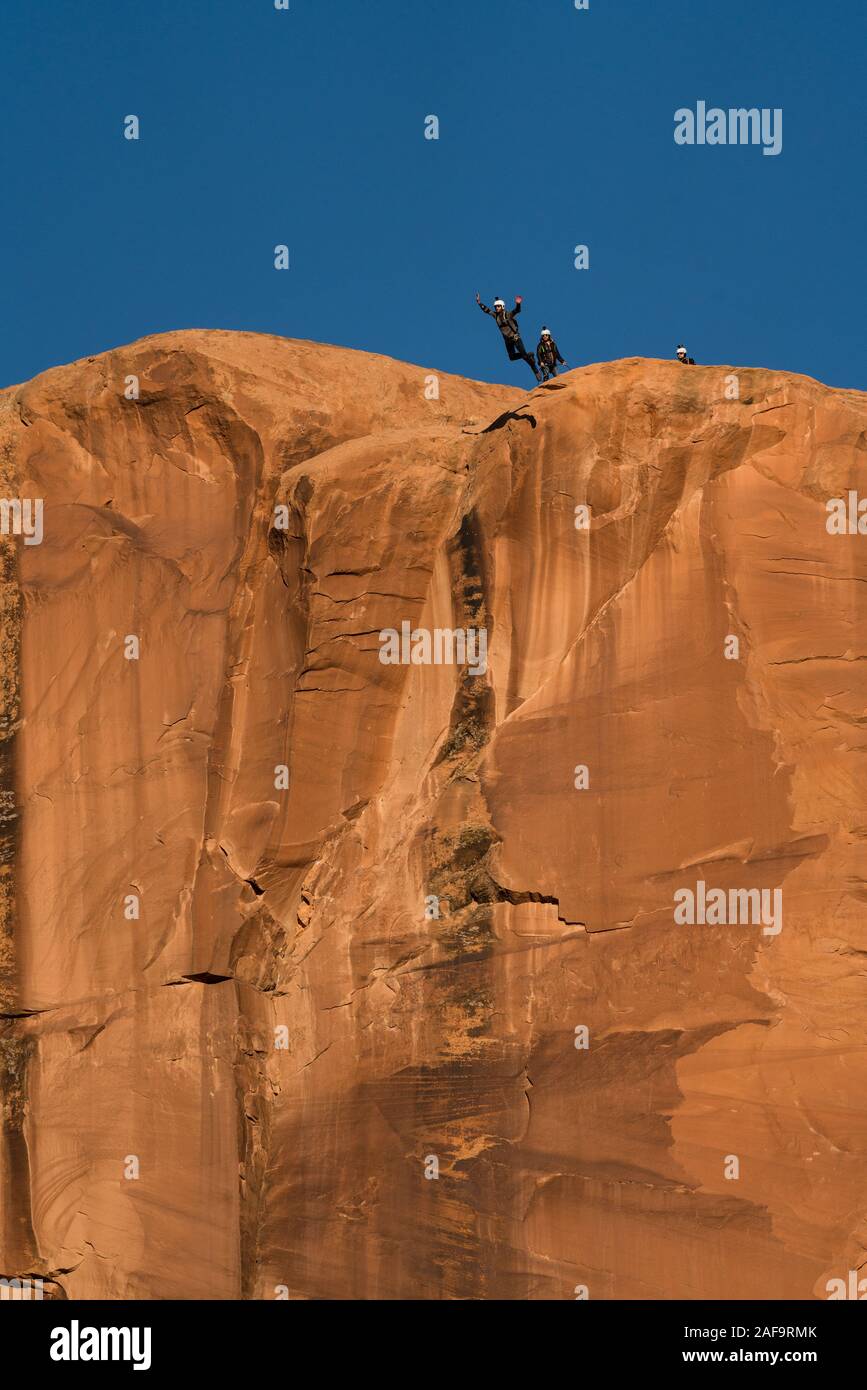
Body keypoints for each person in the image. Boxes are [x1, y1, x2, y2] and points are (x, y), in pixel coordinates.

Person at [476, 292, 542, 383]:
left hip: (515, 338)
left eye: (498, 306)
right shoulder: (495, 316)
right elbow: (487, 310)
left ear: (502, 306)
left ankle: (535, 370)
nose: (496, 308)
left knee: (524, 357)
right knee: (512, 357)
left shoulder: (508, 314)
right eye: (496, 307)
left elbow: (517, 311)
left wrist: (518, 304)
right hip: (508, 341)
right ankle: (529, 354)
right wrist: (479, 303)